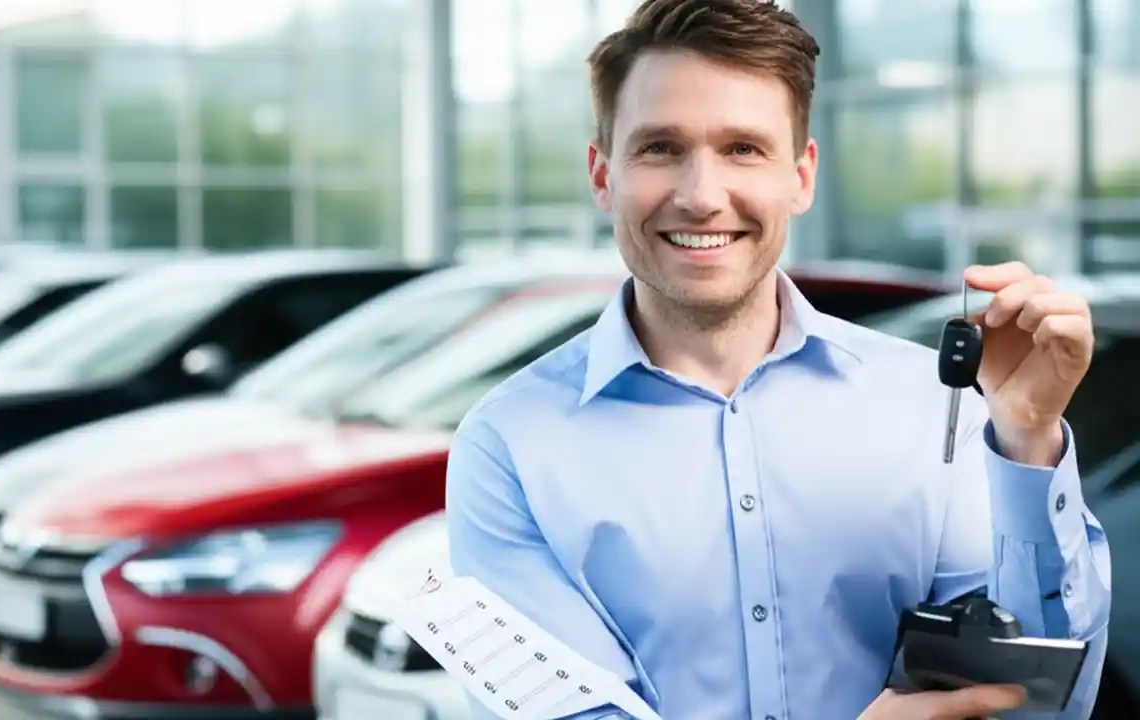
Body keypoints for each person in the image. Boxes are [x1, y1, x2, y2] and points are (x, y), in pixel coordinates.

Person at [443, 1, 1111, 719]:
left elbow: (1043, 703)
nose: (702, 197)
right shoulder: (510, 446)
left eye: (743, 149)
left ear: (802, 176)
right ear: (603, 175)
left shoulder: (930, 405)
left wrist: (1026, 437)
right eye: (661, 148)